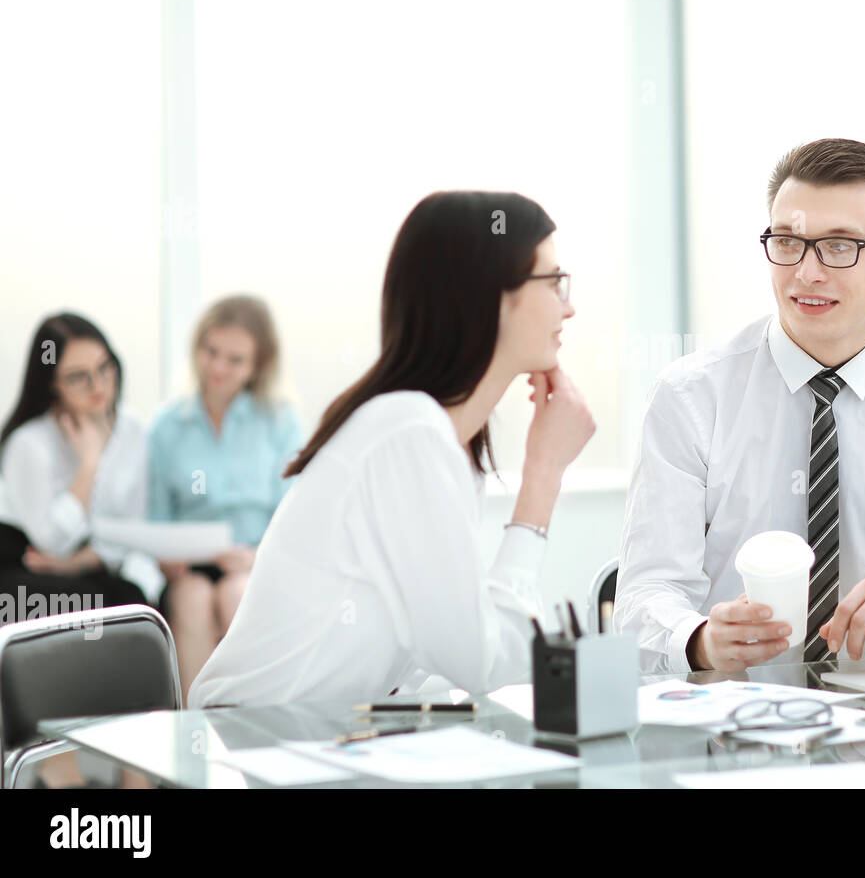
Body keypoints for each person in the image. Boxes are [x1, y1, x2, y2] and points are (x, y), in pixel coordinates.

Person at [189, 191, 594, 707]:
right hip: (255, 747)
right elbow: (479, 660)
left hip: (317, 742)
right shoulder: (408, 433)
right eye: (553, 281)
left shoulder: (434, 440)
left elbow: (435, 656)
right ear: (492, 294)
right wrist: (543, 475)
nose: (570, 305)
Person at [615, 138, 865, 674]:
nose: (807, 273)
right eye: (789, 242)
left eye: (840, 246)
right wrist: (700, 640)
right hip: (731, 725)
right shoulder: (690, 396)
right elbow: (643, 597)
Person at [0, 312, 161, 787]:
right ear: (51, 384)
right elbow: (46, 539)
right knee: (77, 610)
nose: (98, 386)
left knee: (133, 601)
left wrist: (77, 561)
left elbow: (125, 533)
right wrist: (88, 464)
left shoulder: (132, 430)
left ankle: (139, 773)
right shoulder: (30, 442)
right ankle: (59, 765)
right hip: (19, 570)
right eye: (78, 377)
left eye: (105, 369)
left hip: (82, 566)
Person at [148, 295, 304, 702]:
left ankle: (246, 733)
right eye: (211, 352)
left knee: (238, 593)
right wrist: (167, 556)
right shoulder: (167, 427)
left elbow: (296, 517)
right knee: (194, 599)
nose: (218, 368)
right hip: (190, 568)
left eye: (235, 360)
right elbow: (157, 521)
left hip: (256, 561)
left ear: (257, 365)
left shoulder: (280, 422)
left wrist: (255, 558)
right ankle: (197, 735)